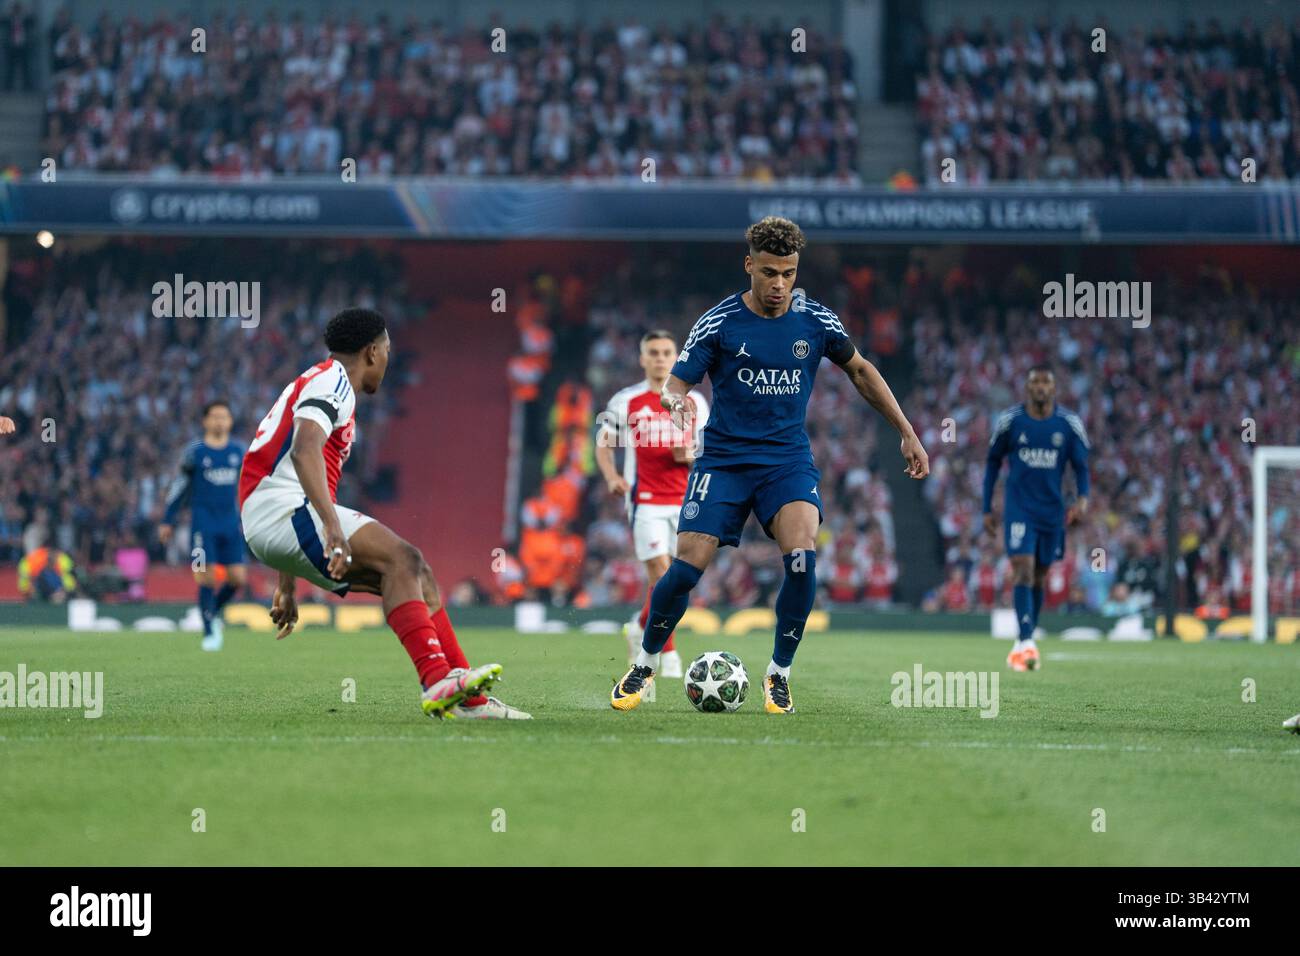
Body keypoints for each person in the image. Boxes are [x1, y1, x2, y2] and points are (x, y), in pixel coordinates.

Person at [610, 217, 929, 714]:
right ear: (749, 266)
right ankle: (647, 660)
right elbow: (677, 383)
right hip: (724, 460)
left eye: (789, 273)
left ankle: (778, 674)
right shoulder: (719, 322)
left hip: (785, 462)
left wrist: (907, 432)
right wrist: (675, 404)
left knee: (802, 559)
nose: (779, 284)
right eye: (769, 273)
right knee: (687, 567)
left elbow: (861, 371)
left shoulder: (817, 321)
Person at [238, 307, 529, 719]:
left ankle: (469, 703)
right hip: (278, 509)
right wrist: (333, 526)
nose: (389, 361)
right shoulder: (333, 380)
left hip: (276, 516)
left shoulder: (325, 382)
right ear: (372, 352)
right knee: (402, 557)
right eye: (388, 350)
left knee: (415, 573)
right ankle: (435, 681)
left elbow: (300, 470)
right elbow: (303, 452)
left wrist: (287, 583)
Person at [595, 329, 709, 679]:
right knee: (660, 574)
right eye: (653, 352)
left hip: (686, 501)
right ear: (642, 359)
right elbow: (604, 443)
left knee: (680, 580)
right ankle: (668, 654)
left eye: (666, 352)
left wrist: (689, 456)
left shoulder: (695, 402)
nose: (660, 358)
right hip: (644, 500)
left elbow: (705, 452)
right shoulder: (626, 400)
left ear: (676, 357)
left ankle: (640, 625)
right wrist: (612, 477)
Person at [982, 366, 1090, 672]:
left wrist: (1082, 499)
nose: (1041, 387)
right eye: (1035, 382)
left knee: (1040, 575)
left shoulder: (1068, 424)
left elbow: (1081, 466)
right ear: (1027, 388)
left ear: (1054, 388)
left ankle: (1024, 638)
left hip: (1052, 511)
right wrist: (987, 509)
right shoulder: (1011, 421)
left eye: (1046, 382)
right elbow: (992, 463)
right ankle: (1028, 639)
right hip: (1019, 509)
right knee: (1023, 569)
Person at [160, 401, 246, 651]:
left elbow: (248, 484)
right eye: (215, 416)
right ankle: (209, 632)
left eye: (224, 416)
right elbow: (180, 487)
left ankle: (209, 613)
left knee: (238, 579)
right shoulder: (195, 451)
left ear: (230, 422)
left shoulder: (238, 451)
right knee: (204, 576)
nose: (220, 421)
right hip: (202, 524)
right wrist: (168, 519)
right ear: (205, 421)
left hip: (230, 523)